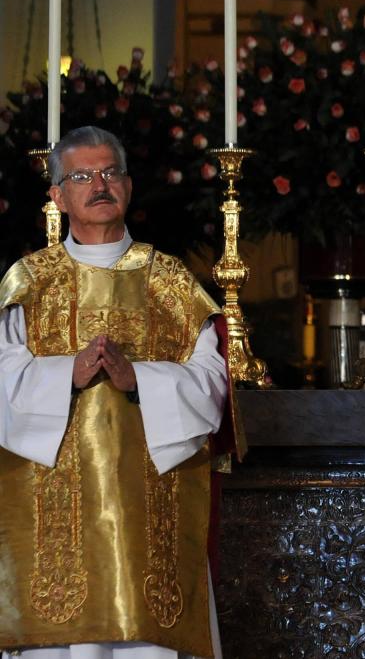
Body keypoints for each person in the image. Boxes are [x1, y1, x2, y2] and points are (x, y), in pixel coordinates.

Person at [0, 126, 234, 659]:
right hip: (52, 508)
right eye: (81, 175)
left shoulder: (171, 282)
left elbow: (213, 382)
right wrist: (67, 374)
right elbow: (1, 373)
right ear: (57, 195)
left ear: (127, 186)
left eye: (110, 173)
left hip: (145, 504)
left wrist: (141, 381)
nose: (98, 185)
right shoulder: (29, 282)